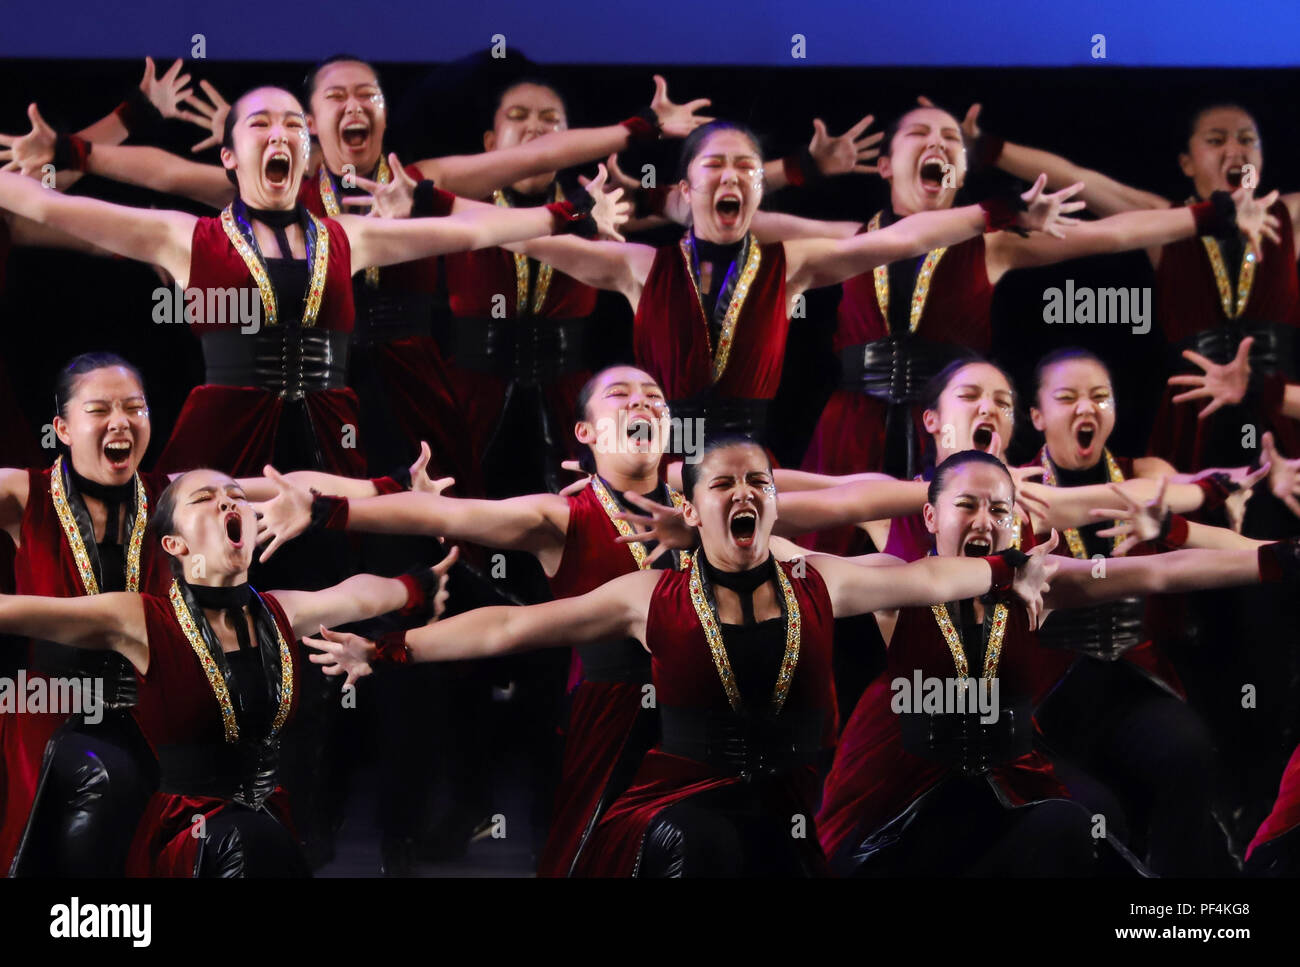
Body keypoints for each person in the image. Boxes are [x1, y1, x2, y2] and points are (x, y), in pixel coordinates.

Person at [302, 435, 1061, 876]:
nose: (746, 491)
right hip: (685, 805)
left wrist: (1010, 568)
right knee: (698, 848)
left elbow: (932, 574)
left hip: (788, 806)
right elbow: (513, 627)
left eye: (758, 481)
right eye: (724, 483)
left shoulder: (817, 579)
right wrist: (391, 648)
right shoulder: (647, 595)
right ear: (694, 512)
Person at [0, 85, 627, 479]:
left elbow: (469, 233)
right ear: (227, 157)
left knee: (334, 592)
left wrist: (566, 214)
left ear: (308, 151)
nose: (281, 134)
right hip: (225, 436)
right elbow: (51, 207)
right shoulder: (184, 237)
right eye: (260, 125)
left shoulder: (350, 237)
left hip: (332, 436)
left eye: (294, 125)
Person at [0, 352, 427, 876]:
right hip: (55, 715)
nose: (122, 421)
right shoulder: (25, 494)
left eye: (135, 407)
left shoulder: (176, 496)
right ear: (63, 427)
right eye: (101, 409)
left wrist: (395, 486)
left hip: (155, 720)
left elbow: (289, 483)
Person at [814, 449, 1300, 875]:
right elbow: (816, 568)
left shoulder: (1037, 585)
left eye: (999, 510)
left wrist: (1280, 558)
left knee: (1073, 828)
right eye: (966, 505)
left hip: (997, 787)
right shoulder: (894, 583)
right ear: (929, 517)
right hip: (898, 805)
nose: (984, 520)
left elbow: (1160, 570)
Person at [495, 120, 1084, 450]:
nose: (732, 176)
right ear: (684, 188)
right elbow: (516, 237)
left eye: (747, 168)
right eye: (715, 165)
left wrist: (1001, 211)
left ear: (759, 188)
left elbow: (904, 238)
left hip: (750, 466)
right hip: (655, 459)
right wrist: (566, 210)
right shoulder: (639, 266)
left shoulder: (793, 264)